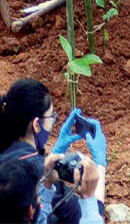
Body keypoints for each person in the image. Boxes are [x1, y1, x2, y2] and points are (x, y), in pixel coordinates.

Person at [0, 79, 108, 223]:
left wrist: (56, 152)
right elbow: (83, 214)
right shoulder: (32, 172)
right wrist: (100, 166)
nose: (53, 121)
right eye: (52, 117)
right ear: (37, 125)